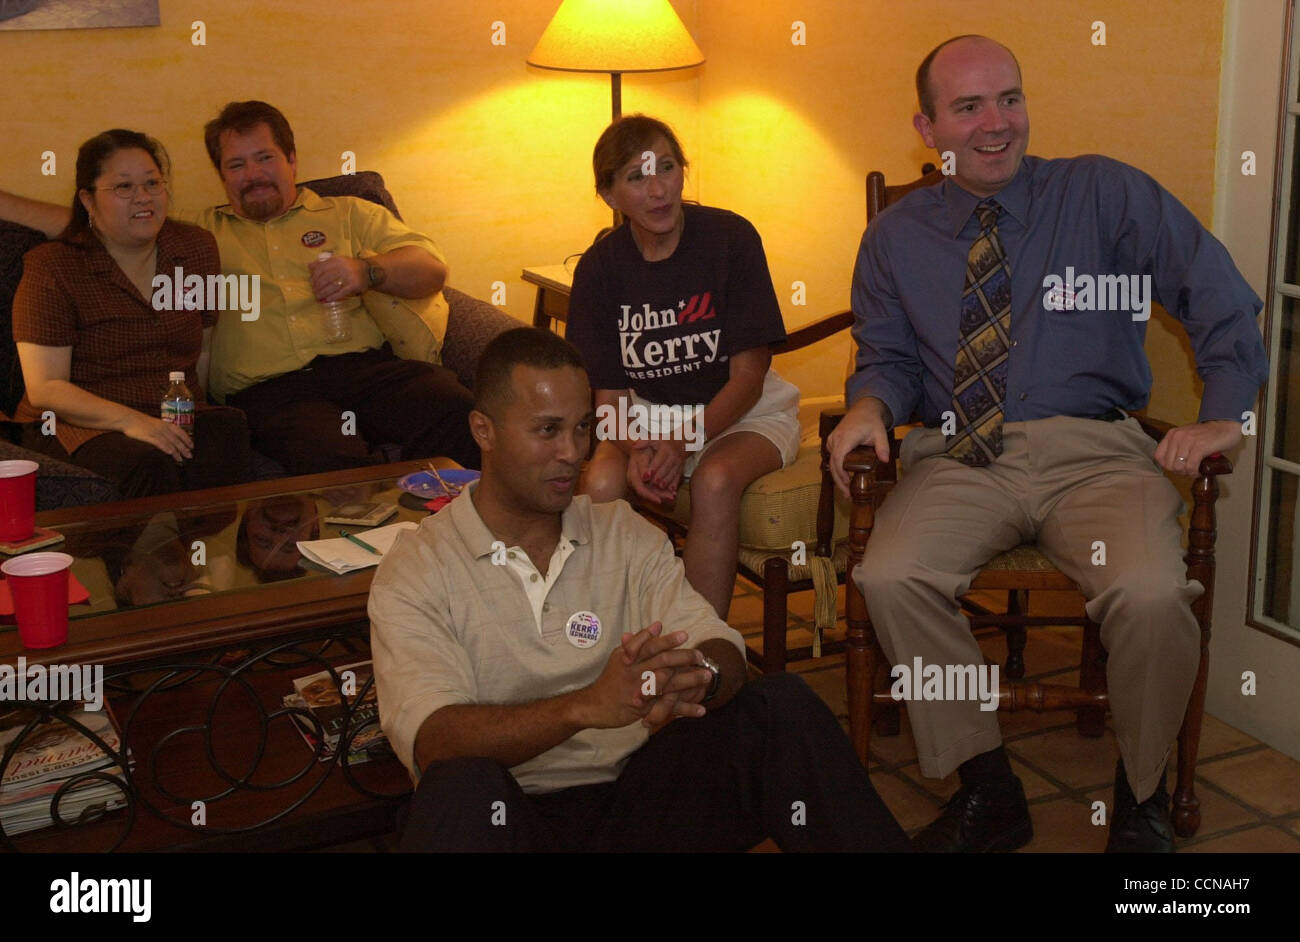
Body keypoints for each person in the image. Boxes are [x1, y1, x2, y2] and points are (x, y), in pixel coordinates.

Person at [827, 35, 1270, 854]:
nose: (997, 124)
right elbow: (886, 356)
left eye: (1011, 99)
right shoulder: (897, 237)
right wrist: (867, 406)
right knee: (890, 575)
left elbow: (1218, 296)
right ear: (927, 128)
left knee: (1151, 596)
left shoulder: (1103, 192)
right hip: (960, 456)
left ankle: (1139, 797)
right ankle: (986, 784)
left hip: (1094, 454)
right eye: (969, 108)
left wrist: (1224, 415)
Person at [368, 327, 911, 852]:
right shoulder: (418, 567)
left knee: (779, 706)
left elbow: (720, 647)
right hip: (512, 820)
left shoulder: (623, 533)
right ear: (483, 431)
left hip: (638, 805)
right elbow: (433, 738)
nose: (572, 452)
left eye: (583, 428)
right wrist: (585, 706)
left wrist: (702, 674)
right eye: (547, 430)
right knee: (458, 790)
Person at [1, 101, 479, 476]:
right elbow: (105, 225)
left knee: (454, 407)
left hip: (365, 368)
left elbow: (431, 271)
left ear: (292, 159)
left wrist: (368, 272)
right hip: (272, 391)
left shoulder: (351, 212)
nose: (252, 175)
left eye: (265, 158)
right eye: (236, 165)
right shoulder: (197, 237)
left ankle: (455, 538)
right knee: (330, 453)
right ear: (221, 175)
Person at [565, 115, 800, 619]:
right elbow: (606, 403)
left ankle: (701, 650)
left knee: (714, 480)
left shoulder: (730, 239)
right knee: (602, 484)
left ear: (682, 172)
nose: (657, 191)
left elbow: (749, 376)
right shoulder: (600, 268)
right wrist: (641, 447)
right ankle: (610, 639)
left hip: (745, 412)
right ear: (609, 196)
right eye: (635, 178)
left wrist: (684, 442)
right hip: (647, 415)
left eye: (667, 168)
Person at [9, 129, 252, 498]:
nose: (144, 197)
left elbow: (200, 350)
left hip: (170, 411)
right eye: (124, 187)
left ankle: (208, 554)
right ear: (88, 200)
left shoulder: (195, 247)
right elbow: (45, 389)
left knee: (226, 432)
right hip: (78, 422)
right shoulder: (52, 267)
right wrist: (133, 422)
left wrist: (187, 414)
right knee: (147, 460)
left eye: (153, 183)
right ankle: (150, 557)